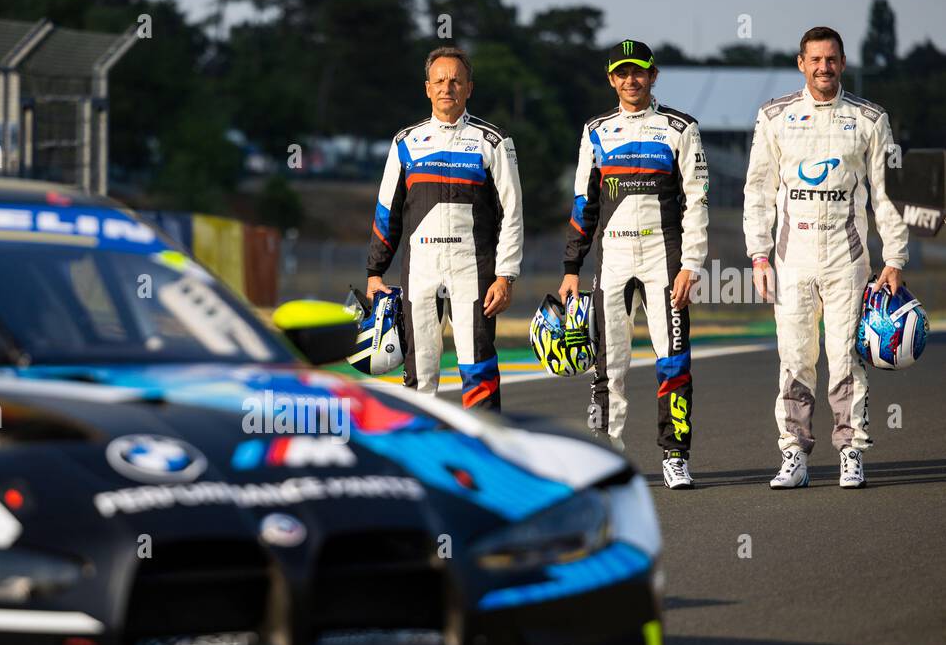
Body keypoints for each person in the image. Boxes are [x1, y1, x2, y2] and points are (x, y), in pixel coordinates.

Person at [744, 25, 909, 490]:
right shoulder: (774, 116)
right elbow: (758, 191)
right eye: (814, 59)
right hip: (791, 257)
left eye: (831, 59)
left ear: (842, 62)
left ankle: (851, 450)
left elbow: (887, 195)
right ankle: (794, 453)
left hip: (847, 258)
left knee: (844, 357)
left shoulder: (870, 119)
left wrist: (894, 258)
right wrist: (758, 254)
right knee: (794, 358)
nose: (823, 67)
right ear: (801, 64)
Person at [559, 40, 709, 489]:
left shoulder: (681, 127)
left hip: (665, 261)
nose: (631, 80)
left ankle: (675, 456)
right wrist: (572, 266)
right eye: (622, 73)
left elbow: (698, 201)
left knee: (674, 361)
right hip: (615, 260)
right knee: (609, 366)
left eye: (639, 71)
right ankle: (607, 457)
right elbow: (584, 201)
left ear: (653, 74)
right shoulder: (596, 130)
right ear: (611, 79)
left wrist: (692, 264)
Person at [365, 46, 523, 410]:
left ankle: (483, 461)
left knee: (478, 368)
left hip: (474, 268)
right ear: (427, 88)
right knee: (419, 376)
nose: (446, 88)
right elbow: (387, 208)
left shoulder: (494, 141)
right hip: (421, 268)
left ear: (469, 88)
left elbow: (512, 212)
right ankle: (419, 462)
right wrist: (375, 271)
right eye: (439, 81)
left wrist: (506, 275)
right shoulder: (405, 142)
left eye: (455, 81)